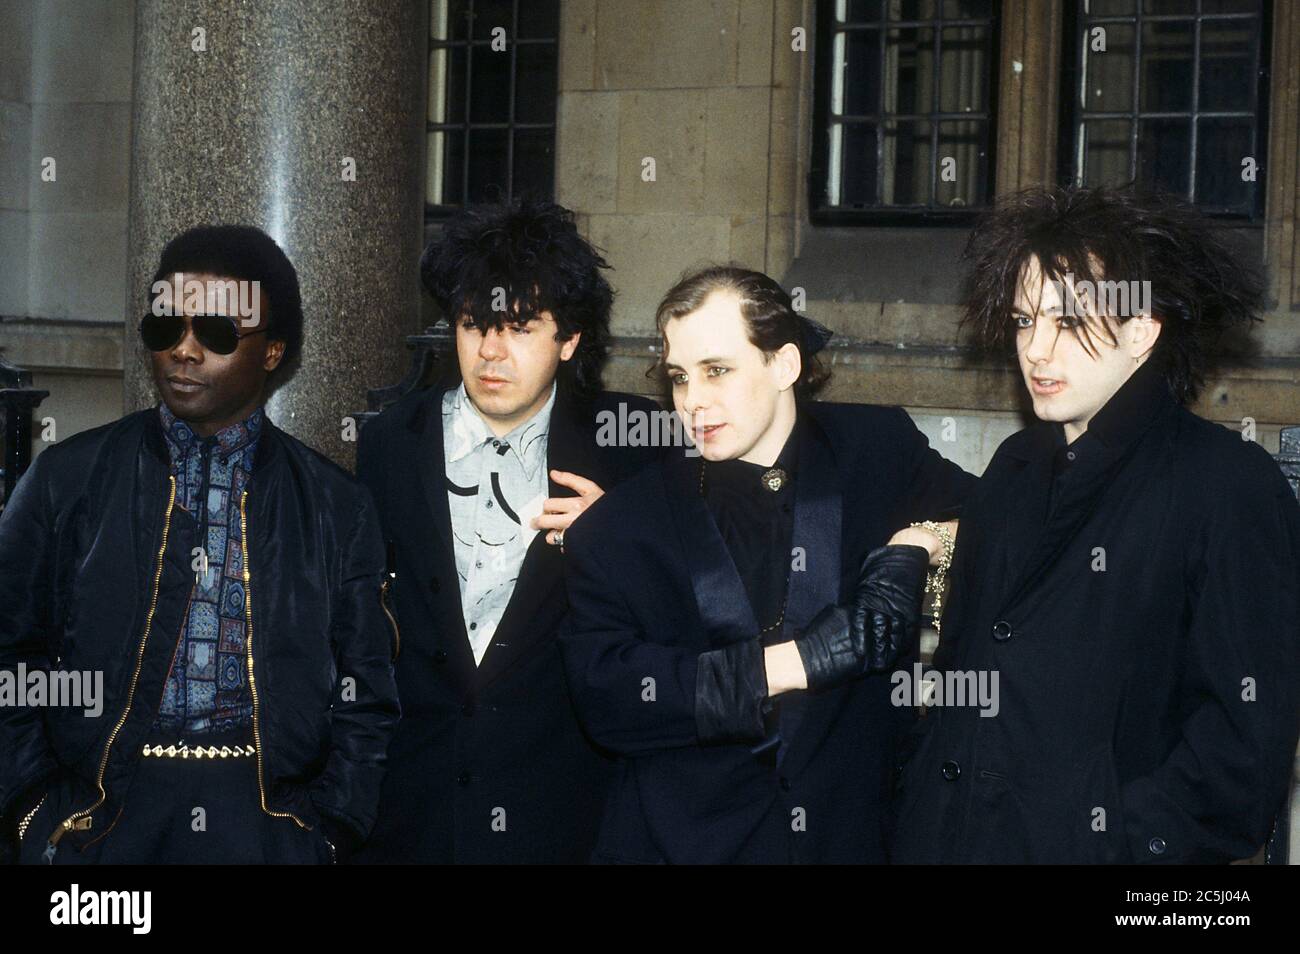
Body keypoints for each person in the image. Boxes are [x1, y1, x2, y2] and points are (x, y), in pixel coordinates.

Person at [891, 186, 1300, 864]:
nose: (1037, 350)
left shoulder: (1228, 486)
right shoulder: (1017, 466)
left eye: (1069, 320)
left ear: (1142, 330)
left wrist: (1105, 843)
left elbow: (1241, 754)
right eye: (1024, 321)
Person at [0, 225, 399, 865]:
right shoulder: (66, 480)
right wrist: (30, 814)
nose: (183, 351)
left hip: (268, 824)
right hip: (99, 818)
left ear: (272, 352)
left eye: (214, 334)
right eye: (165, 328)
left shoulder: (335, 506)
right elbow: (12, 657)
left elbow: (368, 694)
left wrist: (330, 831)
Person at [559, 265, 975, 863]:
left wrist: (919, 543)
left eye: (717, 371)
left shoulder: (875, 449)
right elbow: (610, 699)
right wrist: (798, 662)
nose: (692, 401)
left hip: (854, 839)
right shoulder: (623, 523)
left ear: (784, 365)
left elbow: (1004, 521)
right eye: (679, 378)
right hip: (684, 845)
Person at [353, 198, 660, 863]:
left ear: (570, 340)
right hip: (408, 819)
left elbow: (690, 619)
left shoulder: (634, 447)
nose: (491, 352)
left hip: (564, 819)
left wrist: (617, 538)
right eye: (473, 325)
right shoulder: (387, 446)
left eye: (520, 328)